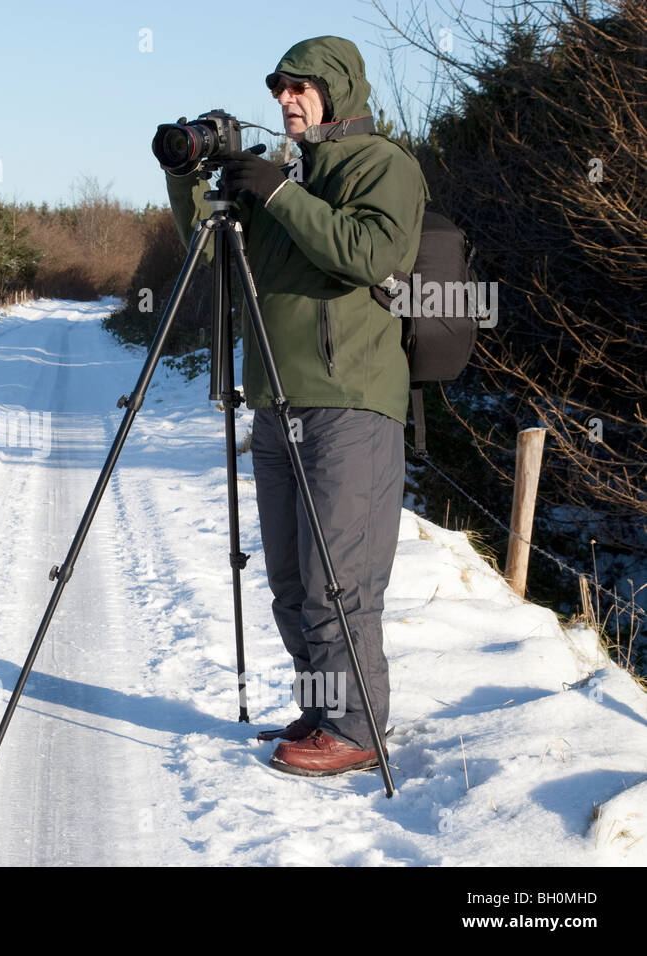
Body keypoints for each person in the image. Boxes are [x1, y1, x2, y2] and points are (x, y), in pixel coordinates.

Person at [163, 36, 427, 776]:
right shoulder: (288, 176)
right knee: (289, 579)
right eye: (279, 88)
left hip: (350, 401)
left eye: (301, 88)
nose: (286, 99)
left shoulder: (384, 166)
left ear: (338, 92)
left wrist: (279, 191)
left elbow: (371, 256)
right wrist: (187, 180)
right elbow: (213, 260)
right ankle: (320, 709)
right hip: (276, 401)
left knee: (336, 577)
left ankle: (356, 726)